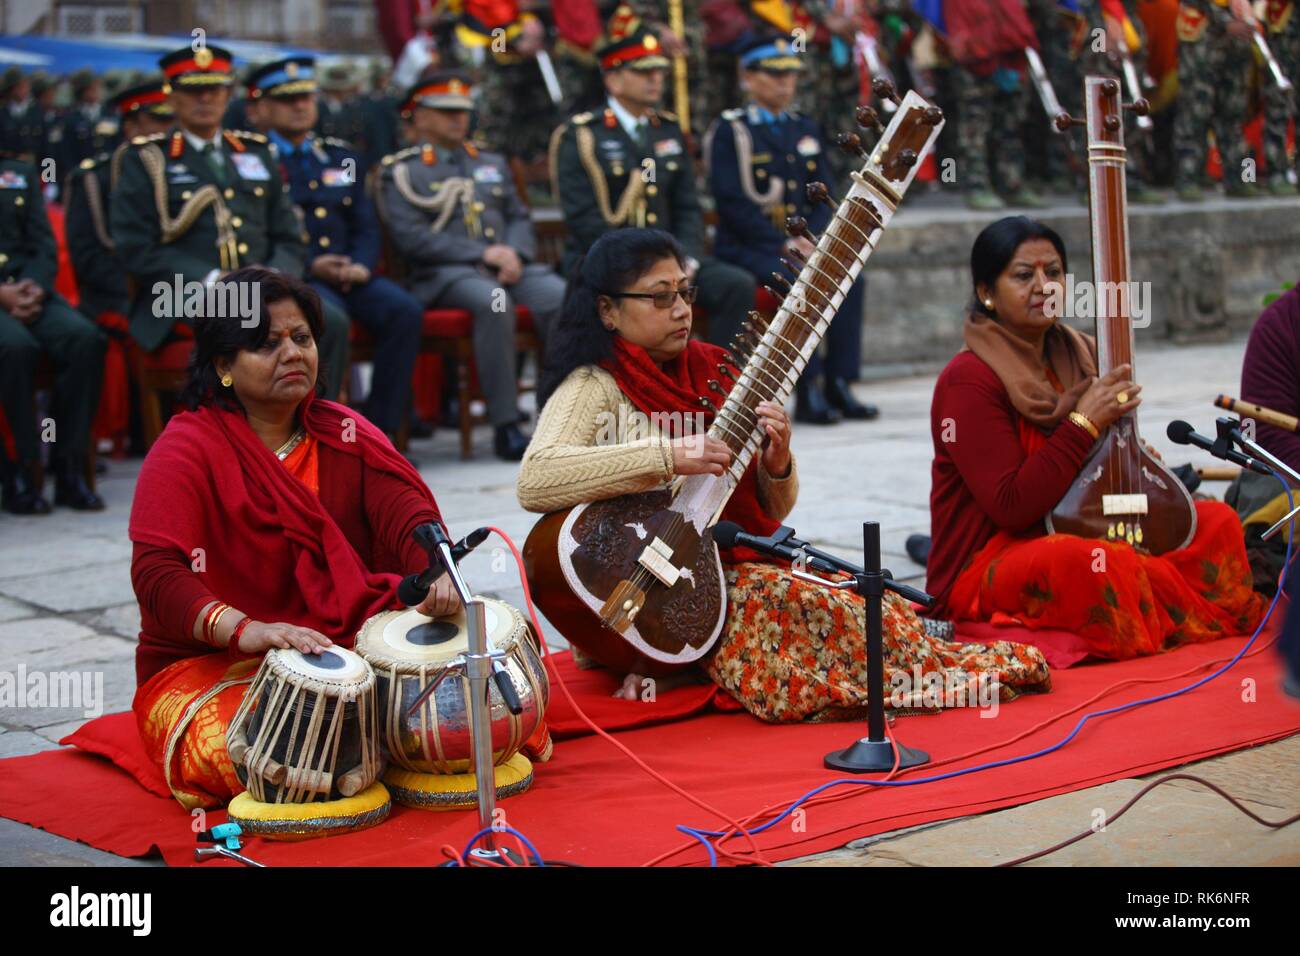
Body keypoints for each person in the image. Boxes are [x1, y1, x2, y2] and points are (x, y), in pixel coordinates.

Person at [517, 228, 1052, 721]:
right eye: (661, 297)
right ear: (608, 311)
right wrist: (665, 456)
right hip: (639, 587)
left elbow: (770, 514)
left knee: (855, 596)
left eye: (685, 292)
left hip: (717, 565)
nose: (681, 309)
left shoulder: (715, 368)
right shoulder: (594, 385)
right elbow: (536, 479)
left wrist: (778, 464)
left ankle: (899, 650)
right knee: (805, 608)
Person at [129, 268, 511, 809]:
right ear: (223, 366)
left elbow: (407, 516)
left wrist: (433, 574)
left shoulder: (343, 433)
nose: (291, 353)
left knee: (479, 685)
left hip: (340, 648)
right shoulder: (187, 449)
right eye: (265, 344)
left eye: (301, 338)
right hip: (213, 664)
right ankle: (373, 756)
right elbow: (158, 573)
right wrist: (247, 630)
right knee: (242, 745)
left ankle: (366, 756)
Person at [925, 216, 1264, 658]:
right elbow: (1011, 507)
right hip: (991, 557)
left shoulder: (1086, 353)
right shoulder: (968, 381)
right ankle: (1153, 616)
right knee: (1099, 564)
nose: (1044, 286)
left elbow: (1099, 462)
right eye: (1024, 275)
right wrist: (1084, 425)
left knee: (1216, 522)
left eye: (1054, 273)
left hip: (1082, 524)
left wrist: (1131, 462)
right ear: (987, 292)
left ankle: (1153, 613)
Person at [111, 45, 350, 400]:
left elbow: (288, 235)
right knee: (245, 323)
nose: (205, 98)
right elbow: (137, 248)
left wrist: (272, 278)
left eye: (215, 89)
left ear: (228, 94)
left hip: (263, 287)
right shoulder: (146, 159)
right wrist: (213, 280)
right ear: (172, 96)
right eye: (193, 90)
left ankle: (311, 430)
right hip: (181, 292)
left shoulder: (253, 152)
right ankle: (242, 441)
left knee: (331, 321)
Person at [378, 70, 565, 461]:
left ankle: (562, 417)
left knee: (562, 297)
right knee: (494, 302)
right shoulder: (403, 170)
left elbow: (518, 216)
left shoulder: (492, 162)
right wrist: (480, 254)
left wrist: (515, 252)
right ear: (418, 115)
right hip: (446, 274)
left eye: (462, 111)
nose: (457, 119)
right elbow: (411, 238)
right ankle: (506, 423)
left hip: (509, 267)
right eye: (445, 111)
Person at [248, 56, 423, 447]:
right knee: (331, 320)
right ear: (261, 108)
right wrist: (312, 263)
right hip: (296, 275)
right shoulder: (253, 161)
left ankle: (381, 432)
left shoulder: (340, 157)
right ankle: (318, 434)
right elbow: (261, 232)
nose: (299, 107)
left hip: (348, 271)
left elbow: (364, 222)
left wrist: (360, 264)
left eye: (306, 98)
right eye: (285, 100)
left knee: (404, 312)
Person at [549, 23, 756, 348]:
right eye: (643, 72)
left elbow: (687, 206)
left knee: (736, 285)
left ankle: (721, 390)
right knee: (630, 298)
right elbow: (583, 218)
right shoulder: (581, 136)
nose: (655, 79)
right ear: (613, 79)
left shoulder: (668, 130)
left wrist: (686, 258)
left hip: (670, 262)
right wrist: (637, 267)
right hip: (606, 264)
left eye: (659, 71)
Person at [707, 32, 875, 424]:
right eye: (772, 74)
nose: (785, 83)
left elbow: (823, 193)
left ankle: (840, 381)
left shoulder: (803, 126)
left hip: (802, 245)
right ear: (747, 77)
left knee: (852, 279)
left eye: (790, 75)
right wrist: (784, 243)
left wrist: (811, 238)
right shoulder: (732, 131)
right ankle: (808, 386)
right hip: (751, 246)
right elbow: (731, 202)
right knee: (801, 281)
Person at [0, 151, 108, 514]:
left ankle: (69, 465)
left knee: (85, 339)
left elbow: (43, 242)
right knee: (15, 348)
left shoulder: (17, 172)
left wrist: (34, 287)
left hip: (29, 289)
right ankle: (19, 470)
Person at [64, 78, 174, 326]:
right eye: (160, 120)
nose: (169, 129)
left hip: (180, 288)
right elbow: (88, 257)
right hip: (120, 292)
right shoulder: (95, 177)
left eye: (172, 120)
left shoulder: (182, 173)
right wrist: (153, 289)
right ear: (130, 127)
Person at [1172, 0, 1257, 199]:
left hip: (1239, 33)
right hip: (1202, 31)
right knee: (1195, 110)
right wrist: (1225, 20)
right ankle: (1189, 177)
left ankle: (1240, 177)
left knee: (1234, 110)